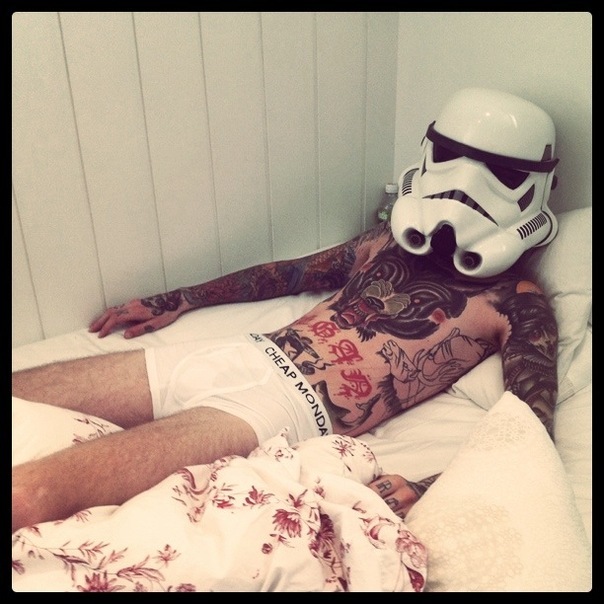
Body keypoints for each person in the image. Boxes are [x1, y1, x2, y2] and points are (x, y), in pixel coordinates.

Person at [12, 88, 560, 533]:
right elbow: (290, 274)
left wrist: (426, 485)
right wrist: (181, 298)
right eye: (452, 160)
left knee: (30, 495)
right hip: (243, 351)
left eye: (499, 174)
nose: (465, 190)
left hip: (288, 408)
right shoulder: (386, 243)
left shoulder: (517, 304)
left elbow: (527, 429)